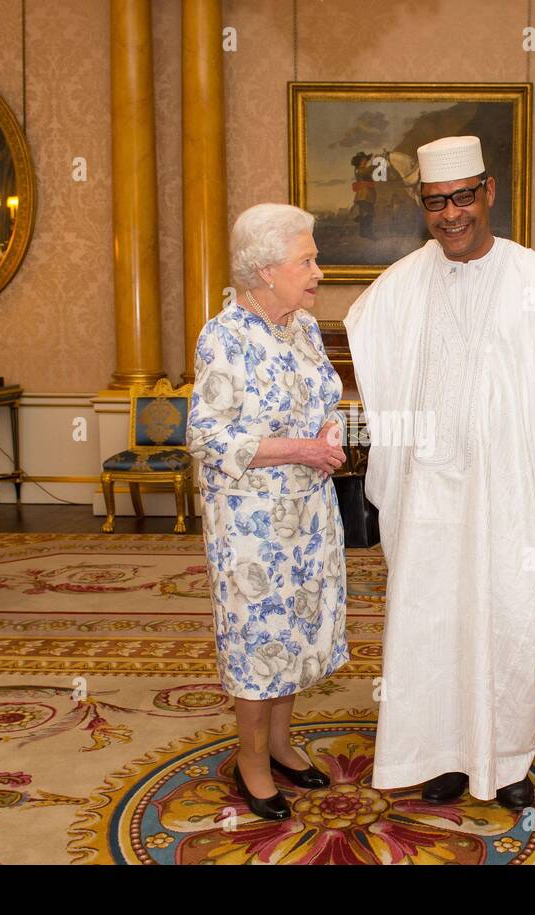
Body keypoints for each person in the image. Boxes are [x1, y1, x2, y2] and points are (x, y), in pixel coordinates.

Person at [345, 135, 535, 809]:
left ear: (489, 191)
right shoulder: (399, 288)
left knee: (511, 616)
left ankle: (509, 757)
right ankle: (444, 753)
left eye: (464, 197)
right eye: (437, 202)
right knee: (434, 622)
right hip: (429, 493)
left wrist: (521, 439)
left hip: (506, 495)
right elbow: (375, 367)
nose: (452, 214)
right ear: (421, 204)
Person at [187, 203, 349, 820]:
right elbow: (208, 436)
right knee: (258, 640)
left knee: (295, 631)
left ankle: (281, 745)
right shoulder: (223, 337)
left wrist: (329, 428)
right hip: (250, 526)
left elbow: (325, 394)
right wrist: (298, 448)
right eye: (305, 260)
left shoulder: (302, 327)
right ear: (263, 270)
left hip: (307, 514)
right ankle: (251, 760)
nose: (318, 271)